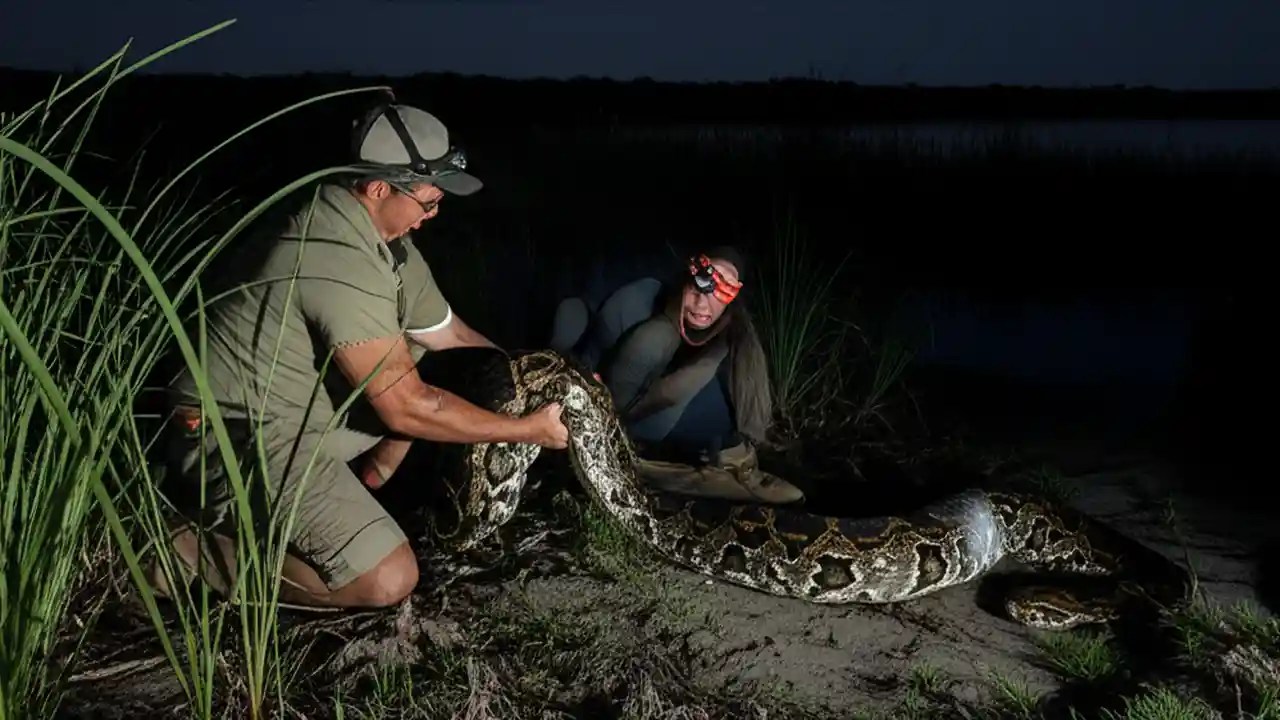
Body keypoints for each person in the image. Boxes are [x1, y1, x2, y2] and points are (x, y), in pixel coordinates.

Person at [148, 101, 569, 610]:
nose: (433, 216)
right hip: (235, 435)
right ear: (378, 188)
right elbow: (406, 406)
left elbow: (450, 336)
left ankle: (365, 485)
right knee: (388, 579)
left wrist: (541, 380)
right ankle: (192, 548)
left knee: (418, 353)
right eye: (429, 201)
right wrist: (527, 431)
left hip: (301, 416)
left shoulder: (387, 242)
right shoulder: (331, 250)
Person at [550, 246, 804, 505]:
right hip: (610, 398)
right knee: (650, 342)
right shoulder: (635, 303)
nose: (702, 306)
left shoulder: (734, 333)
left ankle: (728, 466)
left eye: (720, 293)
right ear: (685, 281)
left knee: (718, 405)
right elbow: (591, 352)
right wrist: (585, 381)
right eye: (696, 289)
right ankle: (620, 464)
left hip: (653, 402)